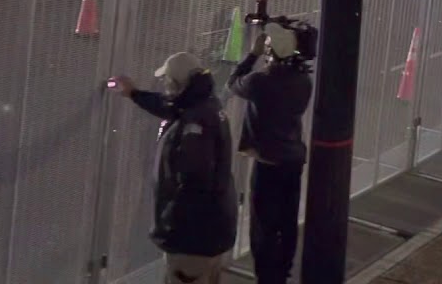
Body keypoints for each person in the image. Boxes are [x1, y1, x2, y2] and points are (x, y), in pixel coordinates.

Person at [109, 52, 238, 284]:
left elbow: (193, 184)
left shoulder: (195, 125)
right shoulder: (203, 104)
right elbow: (170, 106)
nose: (165, 85)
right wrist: (134, 94)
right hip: (211, 231)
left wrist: (167, 225)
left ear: (177, 83)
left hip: (193, 239)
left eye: (167, 80)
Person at [229, 31, 314, 284]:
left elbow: (233, 83)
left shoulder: (261, 81)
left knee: (263, 224)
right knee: (287, 221)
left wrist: (252, 54)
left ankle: (266, 276)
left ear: (270, 52)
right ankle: (282, 272)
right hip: (293, 159)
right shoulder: (303, 81)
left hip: (268, 162)